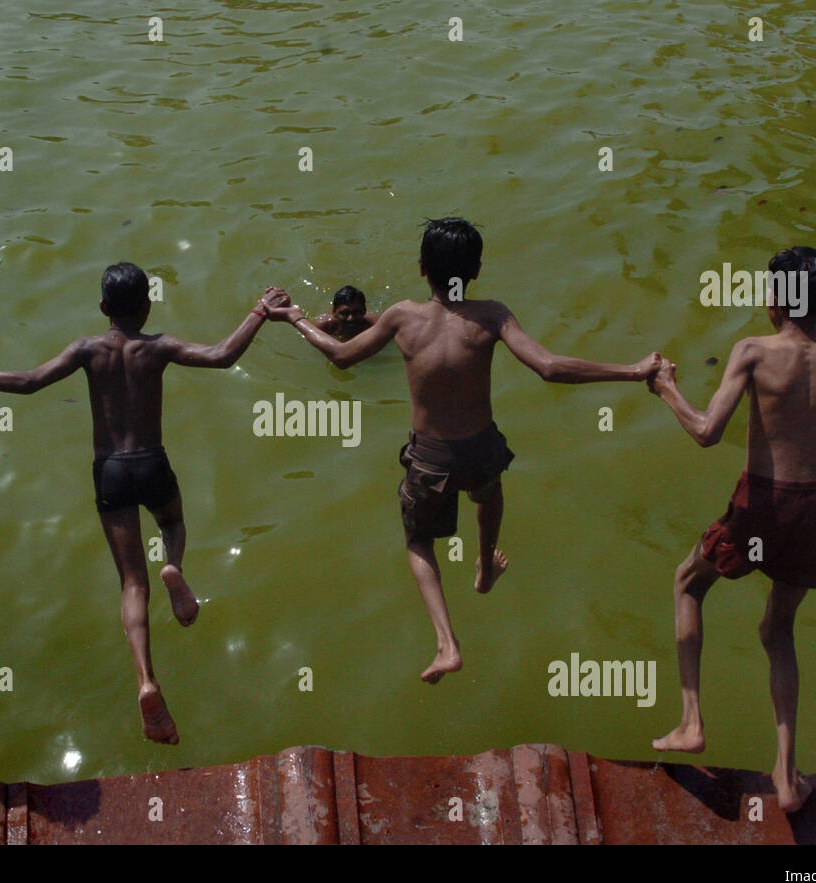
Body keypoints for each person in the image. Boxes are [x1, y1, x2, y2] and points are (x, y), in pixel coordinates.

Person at [264, 218, 660, 682]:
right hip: (481, 448)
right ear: (475, 270)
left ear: (420, 268)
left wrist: (294, 317)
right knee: (488, 491)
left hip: (431, 456)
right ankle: (486, 562)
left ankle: (447, 643)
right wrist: (633, 370)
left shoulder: (401, 316)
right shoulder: (492, 315)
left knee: (418, 539)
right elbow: (550, 368)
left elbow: (340, 354)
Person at [0, 264, 285, 744]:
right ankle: (176, 564)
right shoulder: (159, 346)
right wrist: (259, 312)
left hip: (111, 472)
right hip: (152, 462)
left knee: (131, 582)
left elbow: (29, 381)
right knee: (173, 522)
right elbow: (222, 356)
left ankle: (145, 678)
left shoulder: (86, 349)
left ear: (103, 308)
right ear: (148, 306)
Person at [649, 248, 816, 813]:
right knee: (778, 632)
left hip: (762, 502)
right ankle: (788, 779)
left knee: (688, 584)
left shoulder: (752, 351)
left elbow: (705, 431)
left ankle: (692, 722)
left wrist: (666, 386)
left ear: (774, 301)